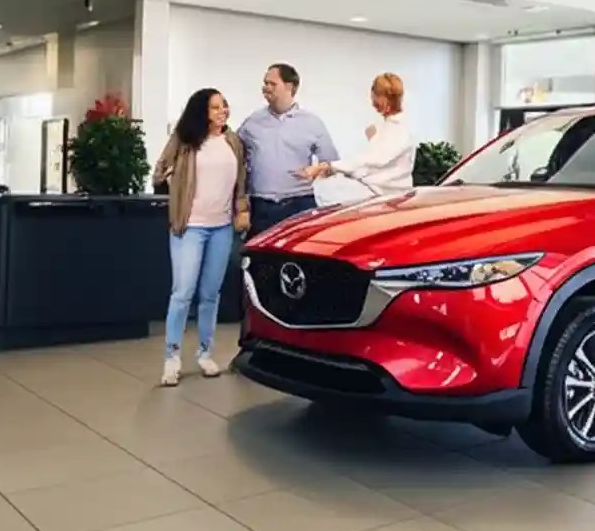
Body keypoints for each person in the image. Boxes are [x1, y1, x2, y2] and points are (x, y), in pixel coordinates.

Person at [152, 88, 250, 387]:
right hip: (190, 226)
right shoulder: (184, 140)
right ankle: (172, 357)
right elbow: (159, 172)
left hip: (221, 227)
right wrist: (173, 181)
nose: (223, 111)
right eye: (215, 107)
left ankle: (205, 353)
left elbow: (242, 181)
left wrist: (242, 209)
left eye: (224, 106)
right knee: (182, 293)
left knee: (210, 294)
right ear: (201, 112)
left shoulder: (233, 141)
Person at [237, 63, 339, 234]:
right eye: (265, 83)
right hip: (261, 206)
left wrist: (317, 170)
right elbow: (234, 154)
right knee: (261, 259)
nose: (266, 88)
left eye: (272, 84)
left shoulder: (312, 123)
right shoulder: (252, 122)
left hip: (299, 205)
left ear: (289, 86)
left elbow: (332, 164)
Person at [299, 72, 415, 203]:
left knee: (326, 191)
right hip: (381, 192)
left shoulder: (397, 129)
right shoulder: (386, 127)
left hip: (386, 196)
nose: (373, 102)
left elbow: (371, 160)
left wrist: (329, 166)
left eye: (375, 97)